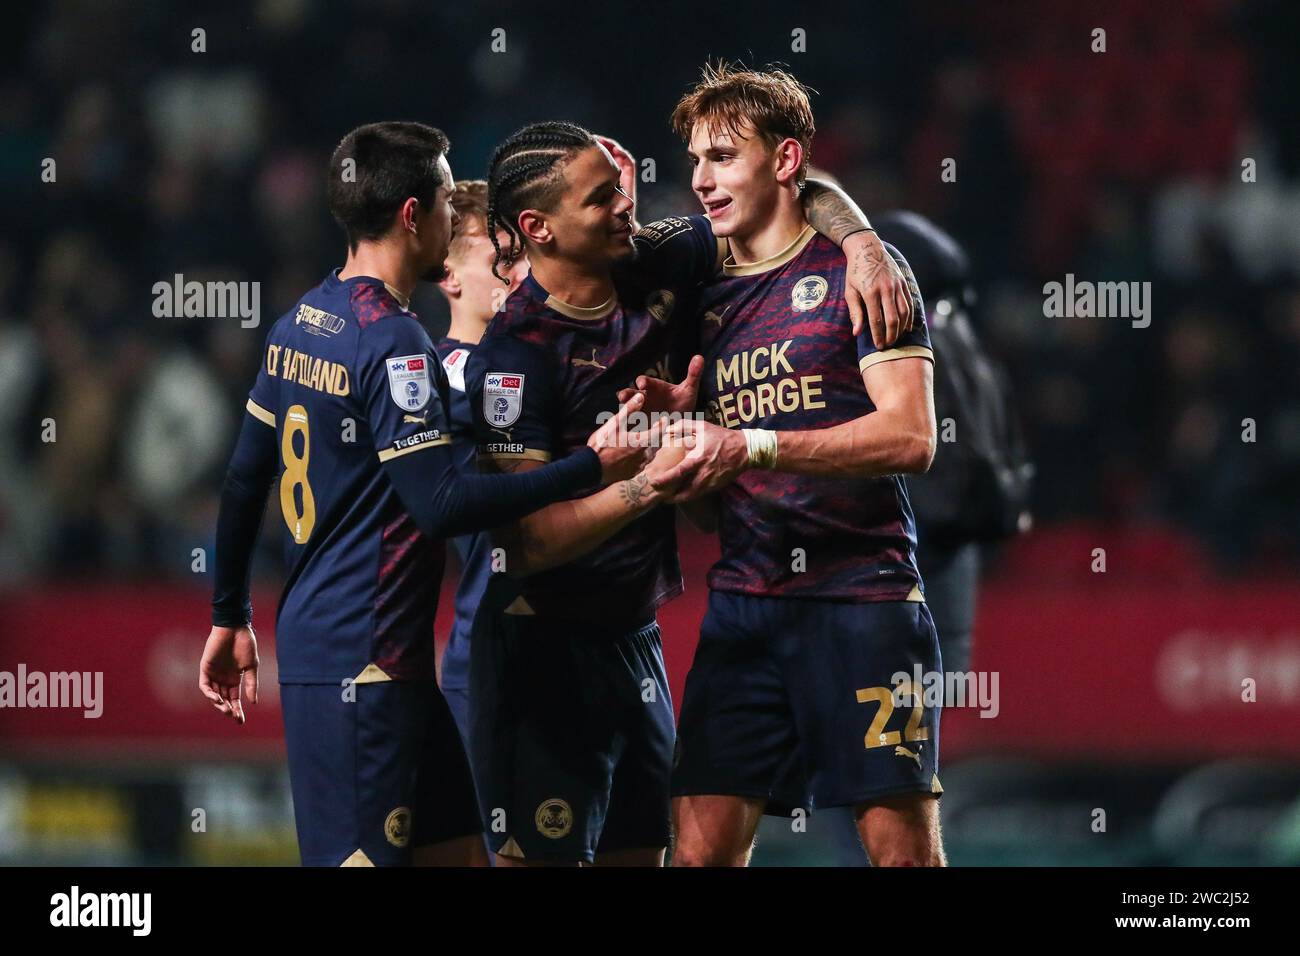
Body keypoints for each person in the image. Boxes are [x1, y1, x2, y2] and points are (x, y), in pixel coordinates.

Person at [197, 121, 650, 867]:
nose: (454, 213)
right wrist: (591, 468)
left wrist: (228, 614)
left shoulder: (299, 324)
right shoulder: (394, 342)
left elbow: (247, 477)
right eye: (446, 197)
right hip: (361, 665)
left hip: (379, 661)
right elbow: (439, 504)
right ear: (414, 214)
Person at [464, 119, 906, 866]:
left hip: (636, 642)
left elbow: (790, 190)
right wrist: (645, 485)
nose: (627, 208)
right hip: (542, 653)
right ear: (539, 227)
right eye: (603, 198)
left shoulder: (654, 261)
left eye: (624, 188)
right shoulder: (513, 360)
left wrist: (863, 245)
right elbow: (528, 543)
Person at [639, 63, 946, 866]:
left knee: (900, 854)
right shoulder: (701, 296)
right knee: (699, 856)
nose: (702, 182)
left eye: (722, 158)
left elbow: (912, 436)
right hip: (743, 605)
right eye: (694, 162)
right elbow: (714, 499)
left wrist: (755, 443)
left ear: (783, 162)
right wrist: (687, 457)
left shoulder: (861, 272)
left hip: (864, 601)